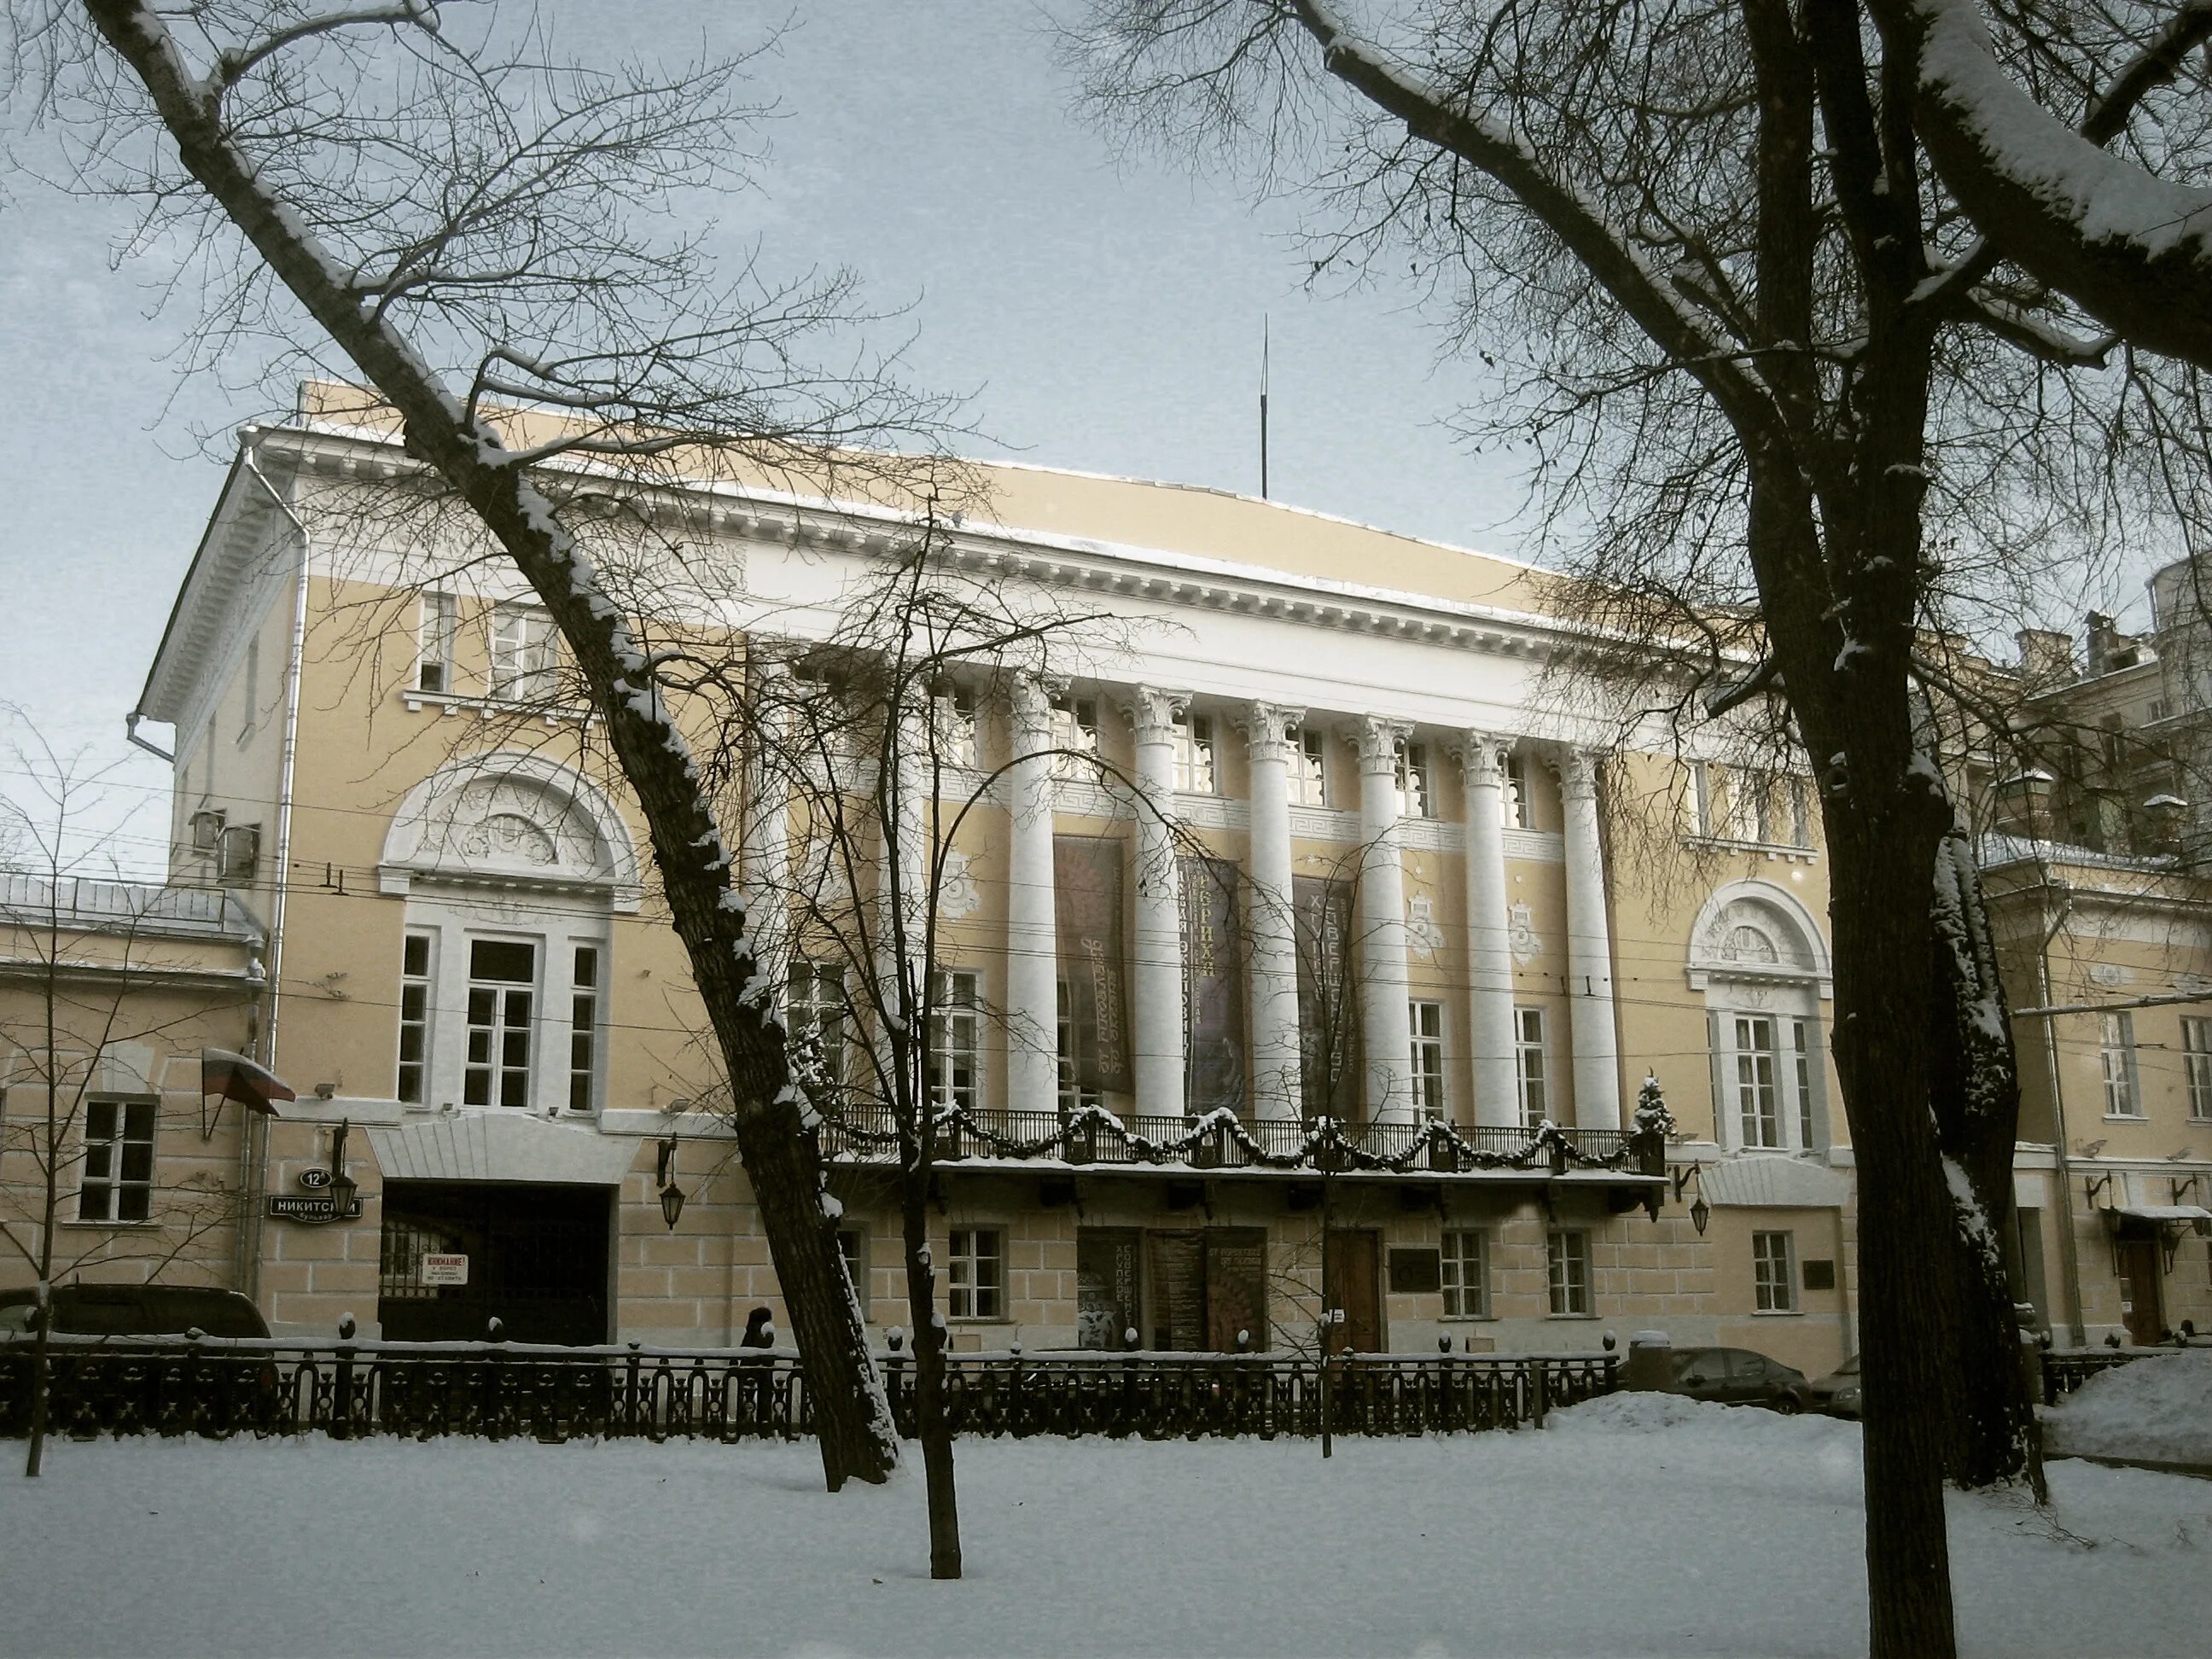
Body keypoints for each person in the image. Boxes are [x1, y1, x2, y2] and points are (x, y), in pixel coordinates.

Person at [738, 1306, 776, 1429]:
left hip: (747, 1367)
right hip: (762, 1368)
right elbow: (764, 1346)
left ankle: (745, 1421)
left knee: (746, 1396)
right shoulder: (762, 1331)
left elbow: (744, 1348)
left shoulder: (750, 1330)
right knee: (764, 1397)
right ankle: (763, 1423)